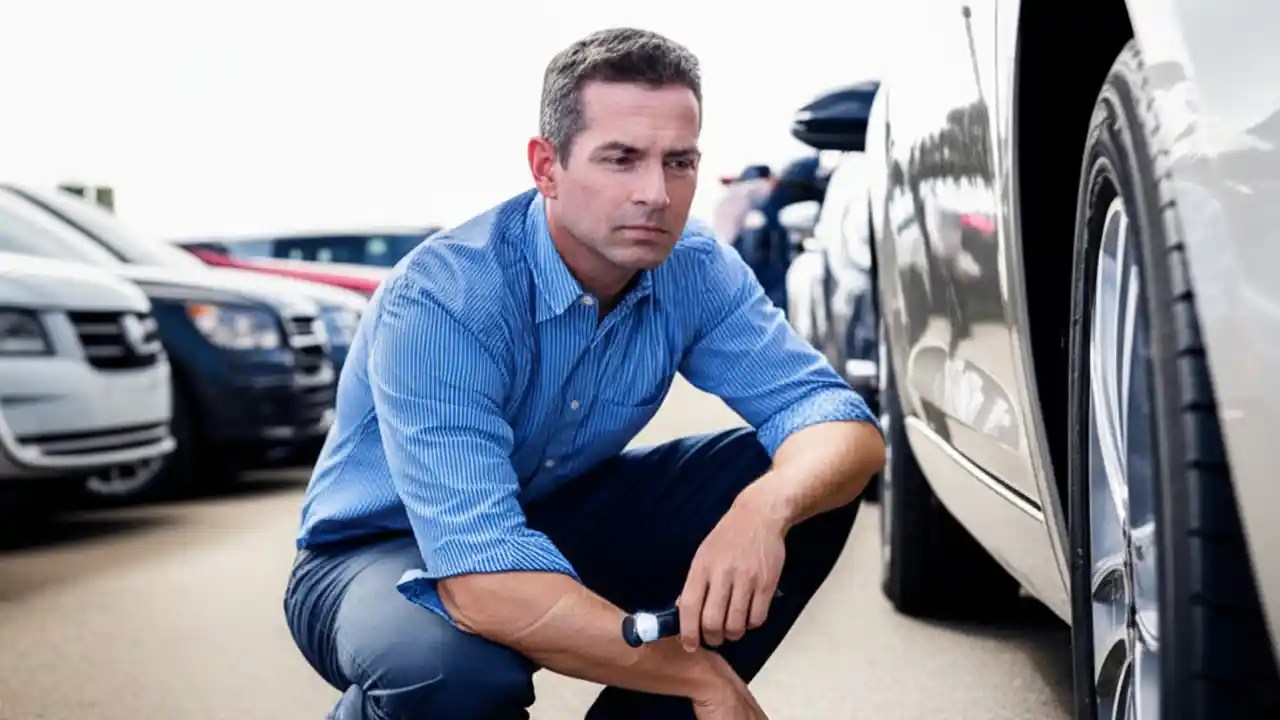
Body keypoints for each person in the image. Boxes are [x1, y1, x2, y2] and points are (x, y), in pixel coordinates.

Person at [283, 27, 884, 720]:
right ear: (547, 167)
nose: (656, 193)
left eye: (679, 162)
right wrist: (700, 677)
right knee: (455, 674)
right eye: (621, 159)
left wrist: (763, 510)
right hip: (378, 554)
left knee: (805, 486)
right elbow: (481, 580)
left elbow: (841, 425)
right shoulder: (446, 296)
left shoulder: (693, 265)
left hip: (550, 514)